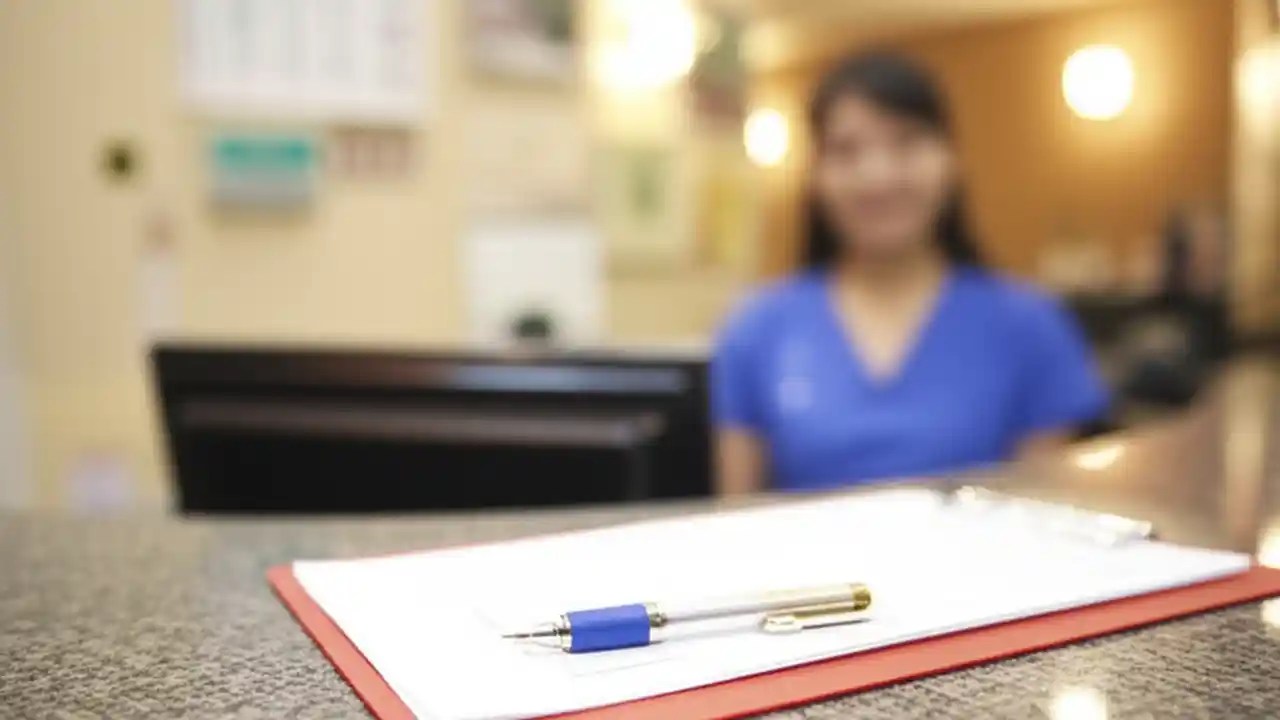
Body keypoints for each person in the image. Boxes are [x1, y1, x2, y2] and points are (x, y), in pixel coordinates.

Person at [712, 51, 1109, 494]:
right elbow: (737, 519)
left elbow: (1048, 521)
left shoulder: (1030, 323)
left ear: (950, 161)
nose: (878, 176)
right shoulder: (759, 326)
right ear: (816, 176)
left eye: (907, 142)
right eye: (846, 150)